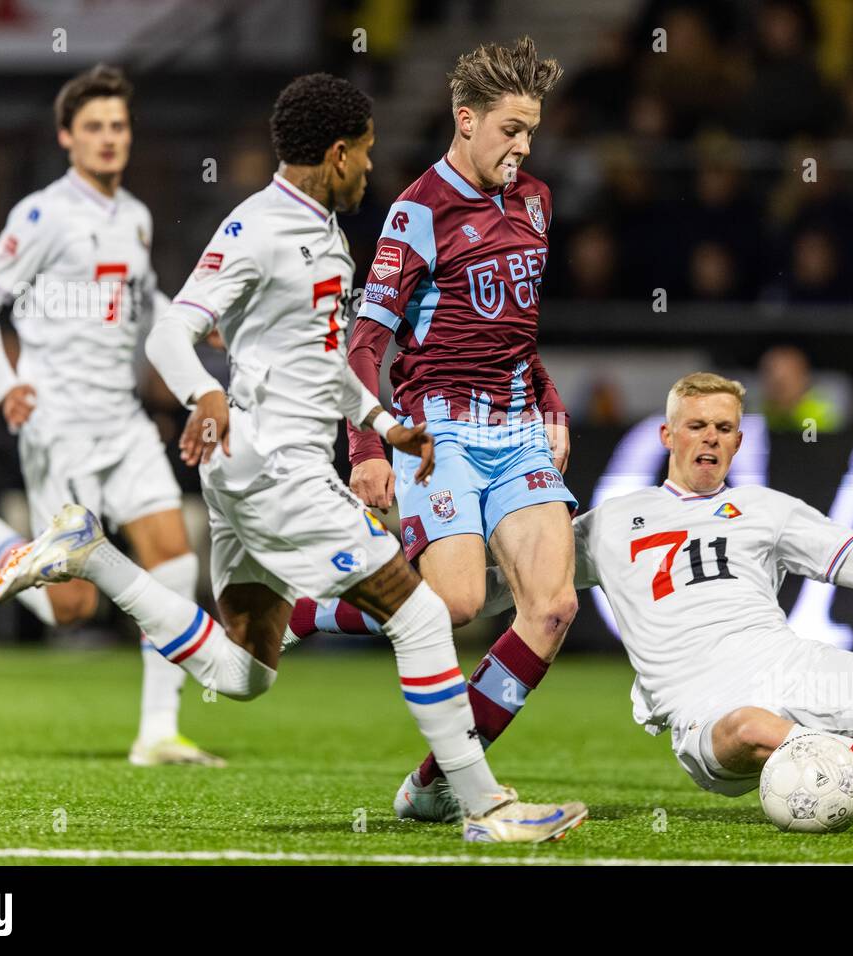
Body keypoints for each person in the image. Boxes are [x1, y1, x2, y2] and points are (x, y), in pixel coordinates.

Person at [0, 73, 587, 844]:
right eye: (365, 155)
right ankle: (483, 808)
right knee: (423, 613)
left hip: (253, 469)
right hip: (277, 466)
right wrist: (206, 395)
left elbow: (324, 358)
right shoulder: (259, 227)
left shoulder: (322, 231)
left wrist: (379, 424)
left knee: (243, 674)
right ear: (336, 155)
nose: (372, 170)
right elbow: (170, 331)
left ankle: (94, 556)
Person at [423, 373, 853, 823]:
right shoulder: (611, 522)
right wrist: (408, 599)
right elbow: (508, 594)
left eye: (724, 428)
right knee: (755, 728)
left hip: (790, 662)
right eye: (695, 425)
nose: (710, 438)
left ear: (738, 440)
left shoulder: (768, 510)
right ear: (667, 436)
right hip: (706, 706)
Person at [292, 38, 582, 822]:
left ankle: (433, 783)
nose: (524, 149)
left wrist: (548, 400)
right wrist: (364, 448)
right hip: (437, 431)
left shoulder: (536, 202)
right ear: (466, 120)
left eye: (531, 132)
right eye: (511, 130)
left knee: (552, 608)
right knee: (453, 606)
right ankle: (306, 610)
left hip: (516, 426)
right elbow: (364, 343)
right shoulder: (416, 211)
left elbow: (517, 332)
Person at [0, 64, 220, 767]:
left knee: (173, 560)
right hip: (60, 429)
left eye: (118, 126)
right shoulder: (43, 215)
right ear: (67, 138)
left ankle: (158, 732)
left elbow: (143, 303)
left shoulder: (136, 218)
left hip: (125, 422)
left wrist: (196, 326)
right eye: (94, 128)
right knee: (69, 609)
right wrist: (6, 382)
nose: (109, 139)